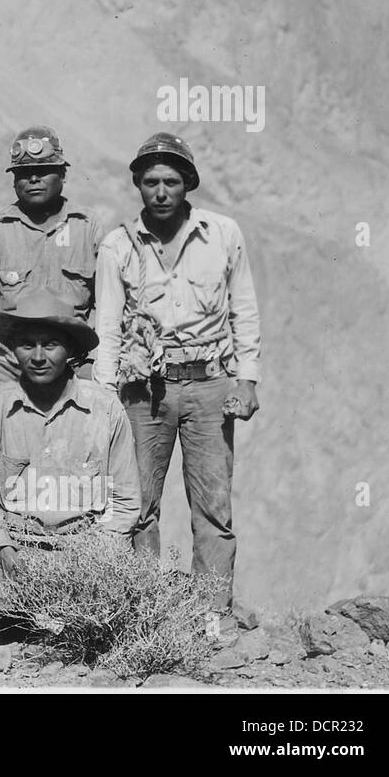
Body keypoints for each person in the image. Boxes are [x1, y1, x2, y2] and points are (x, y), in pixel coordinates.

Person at [94, 132, 261, 621]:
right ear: (138, 186)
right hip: (142, 389)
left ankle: (212, 615)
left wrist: (247, 378)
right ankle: (143, 612)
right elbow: (106, 325)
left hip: (211, 383)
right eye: (150, 182)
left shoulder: (223, 233)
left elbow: (244, 308)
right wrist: (106, 399)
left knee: (212, 503)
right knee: (136, 503)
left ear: (188, 183)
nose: (161, 192)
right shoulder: (118, 244)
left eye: (171, 181)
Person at [0, 126, 104, 586]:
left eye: (44, 171)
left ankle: (81, 576)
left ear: (62, 176)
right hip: (8, 363)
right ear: (14, 180)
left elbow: (105, 311)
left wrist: (95, 377)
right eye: (24, 173)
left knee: (77, 465)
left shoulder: (88, 228)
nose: (34, 180)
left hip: (72, 366)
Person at [0, 290, 140, 646]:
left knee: (108, 629)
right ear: (13, 349)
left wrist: (92, 559)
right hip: (17, 550)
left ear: (71, 349)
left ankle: (43, 619)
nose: (39, 357)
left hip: (83, 552)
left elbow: (125, 501)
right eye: (27, 345)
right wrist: (4, 550)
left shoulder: (105, 410)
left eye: (51, 344)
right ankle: (25, 617)